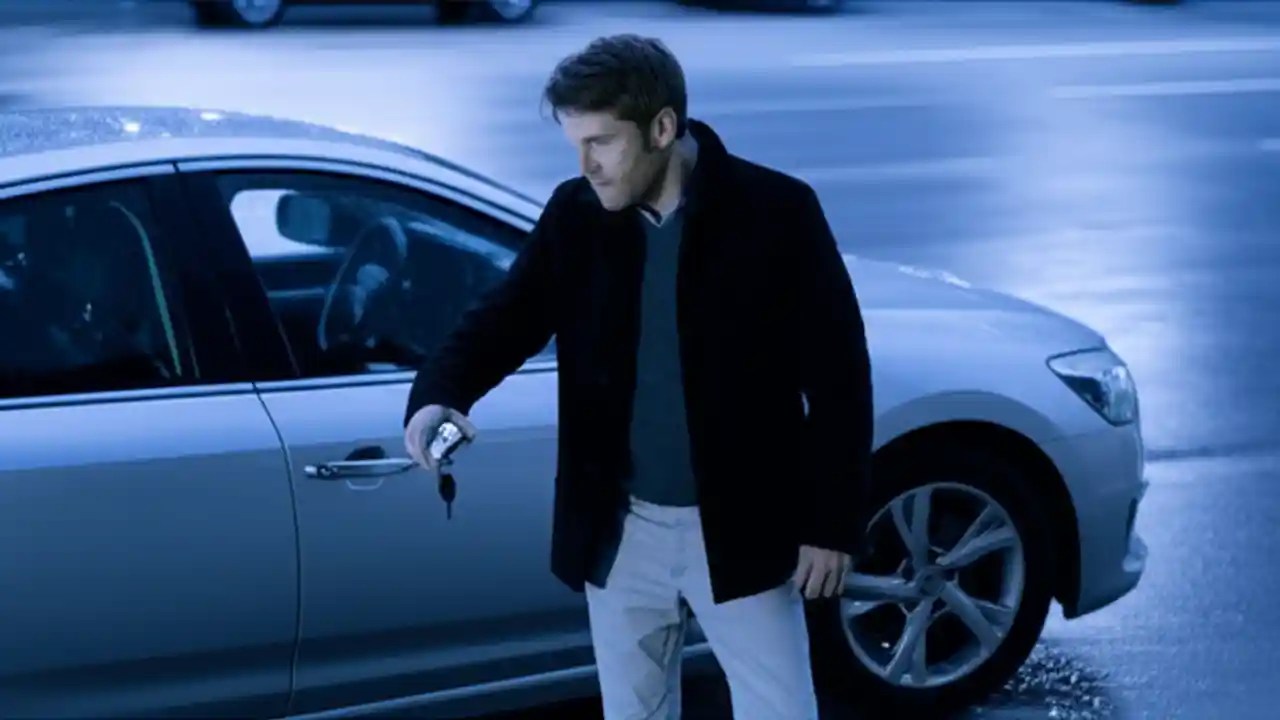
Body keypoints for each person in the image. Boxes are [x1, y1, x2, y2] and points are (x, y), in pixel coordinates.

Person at [403, 34, 874, 720]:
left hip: (741, 527)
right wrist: (437, 396)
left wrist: (832, 525)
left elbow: (839, 377)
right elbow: (502, 320)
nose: (586, 164)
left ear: (662, 127)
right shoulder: (576, 216)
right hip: (620, 531)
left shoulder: (776, 213)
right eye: (575, 144)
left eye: (601, 142)